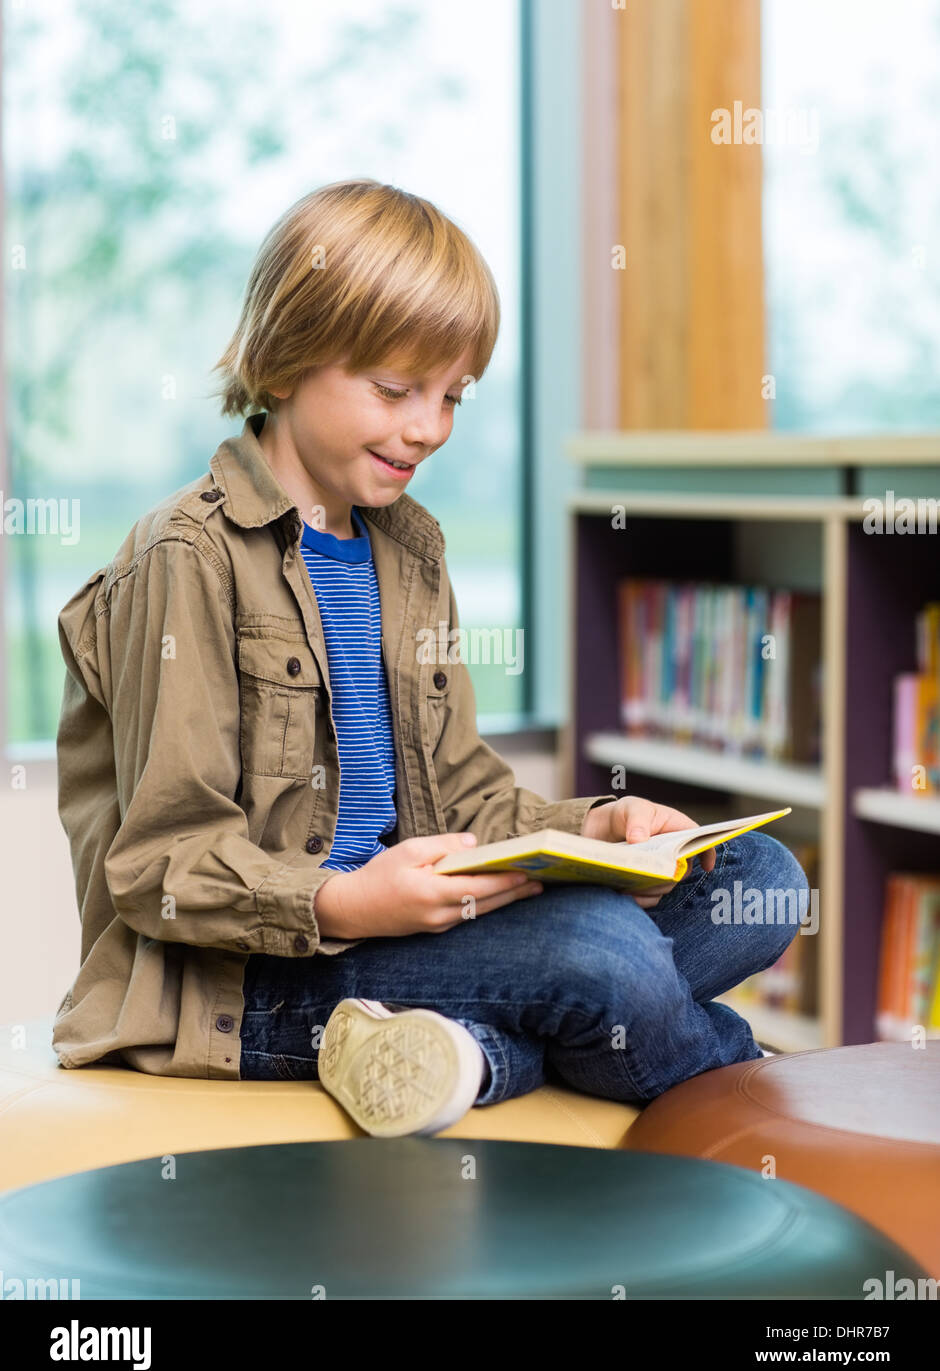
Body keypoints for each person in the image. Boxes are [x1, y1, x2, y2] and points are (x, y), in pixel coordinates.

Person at [53, 178, 808, 1136]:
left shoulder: (409, 548)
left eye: (453, 395)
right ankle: (739, 1087)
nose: (430, 428)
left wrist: (605, 825)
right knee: (606, 953)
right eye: (396, 390)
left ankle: (466, 1051)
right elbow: (162, 865)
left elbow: (464, 800)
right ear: (283, 363)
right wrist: (348, 901)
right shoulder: (185, 557)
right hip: (259, 979)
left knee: (764, 879)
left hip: (420, 937)